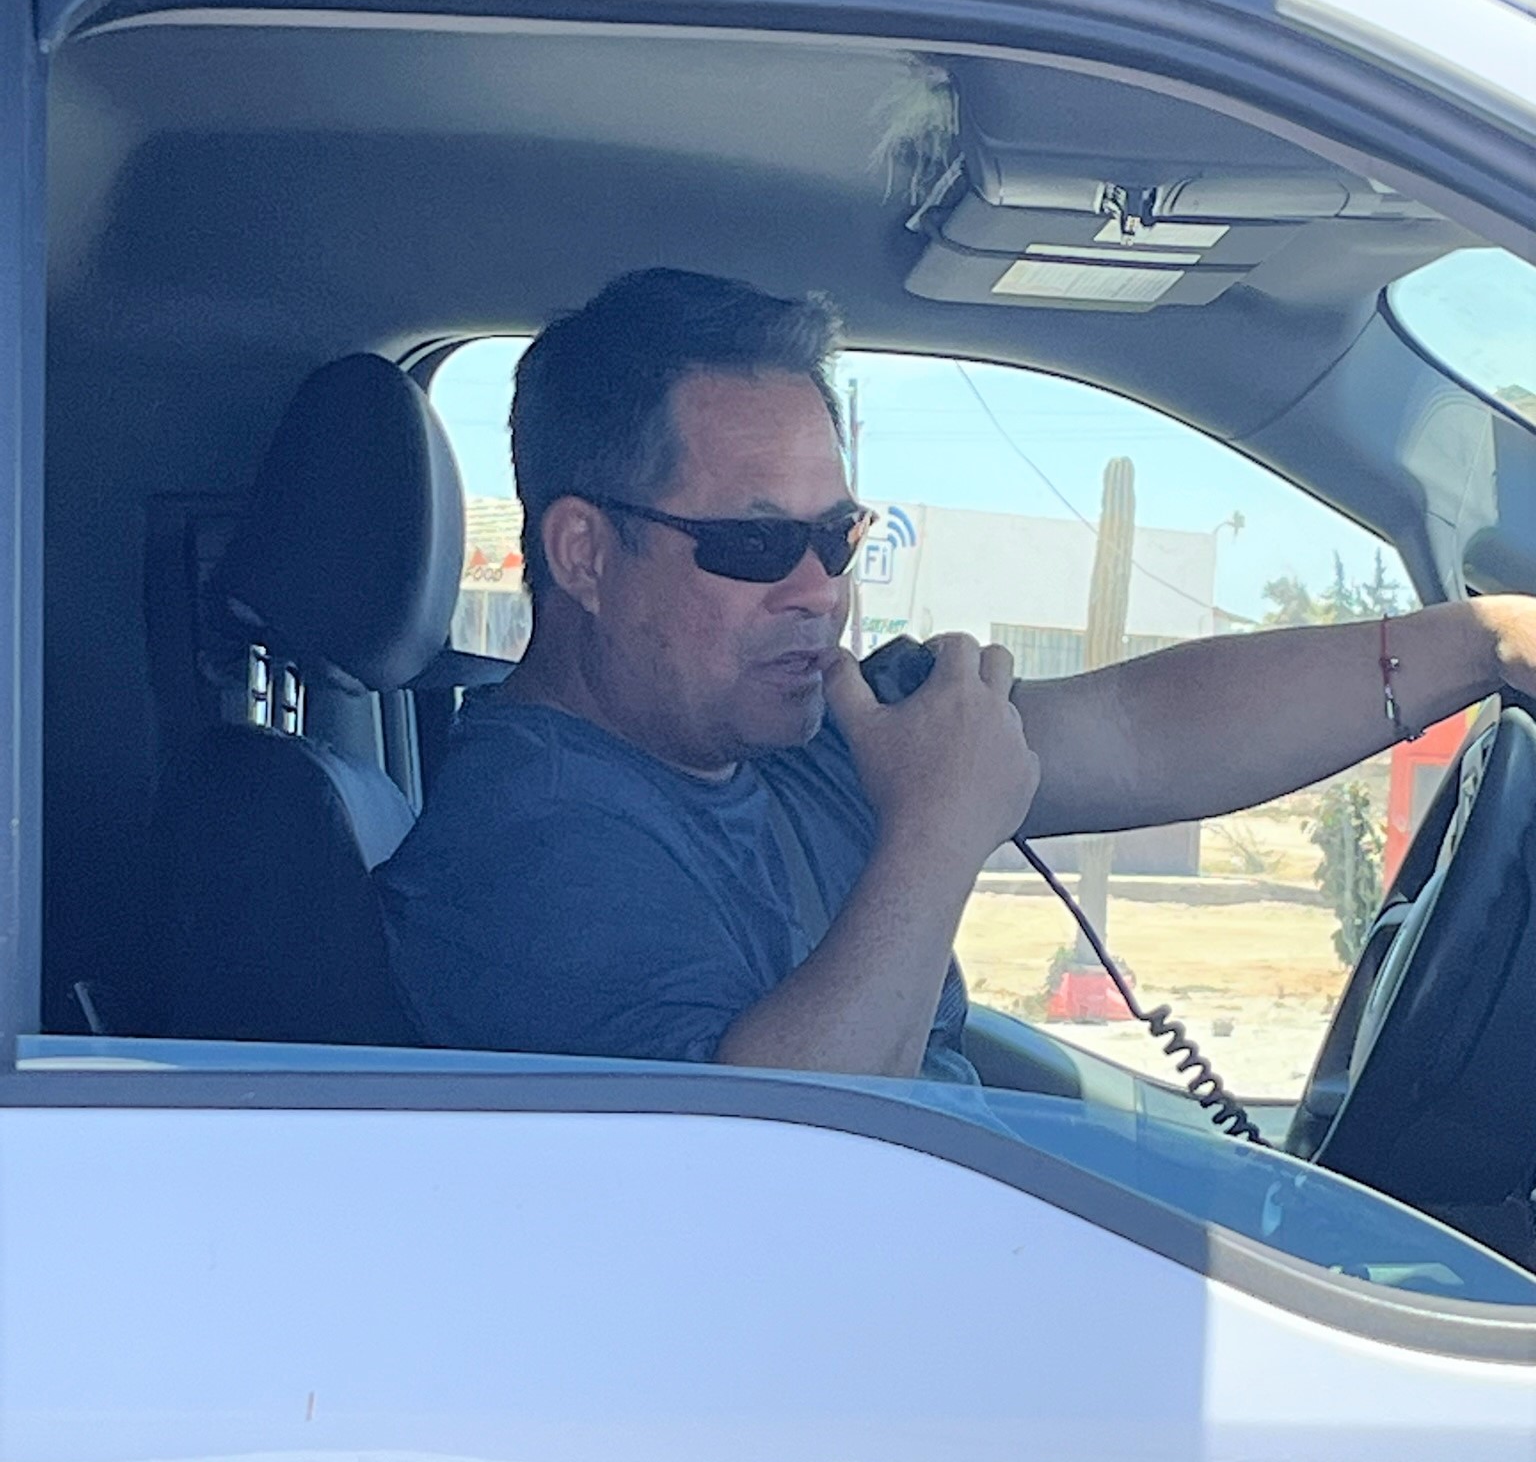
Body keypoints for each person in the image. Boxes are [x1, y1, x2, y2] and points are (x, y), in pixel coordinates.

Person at [378, 267, 1536, 1079]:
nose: (818, 588)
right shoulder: (523, 846)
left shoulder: (812, 732)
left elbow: (1142, 731)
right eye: (753, 541)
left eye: (836, 535)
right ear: (584, 553)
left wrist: (1484, 641)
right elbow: (769, 1171)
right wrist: (937, 828)